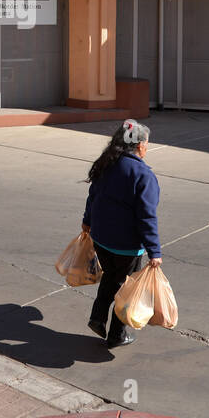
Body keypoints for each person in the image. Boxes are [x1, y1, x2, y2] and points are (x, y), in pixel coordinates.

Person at [81, 119, 161, 348]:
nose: (147, 147)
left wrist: (86, 222)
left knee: (111, 278)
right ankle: (117, 334)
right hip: (127, 245)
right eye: (147, 143)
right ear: (139, 145)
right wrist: (154, 251)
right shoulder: (143, 175)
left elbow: (92, 196)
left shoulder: (106, 163)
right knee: (125, 288)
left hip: (101, 238)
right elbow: (147, 217)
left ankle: (97, 316)